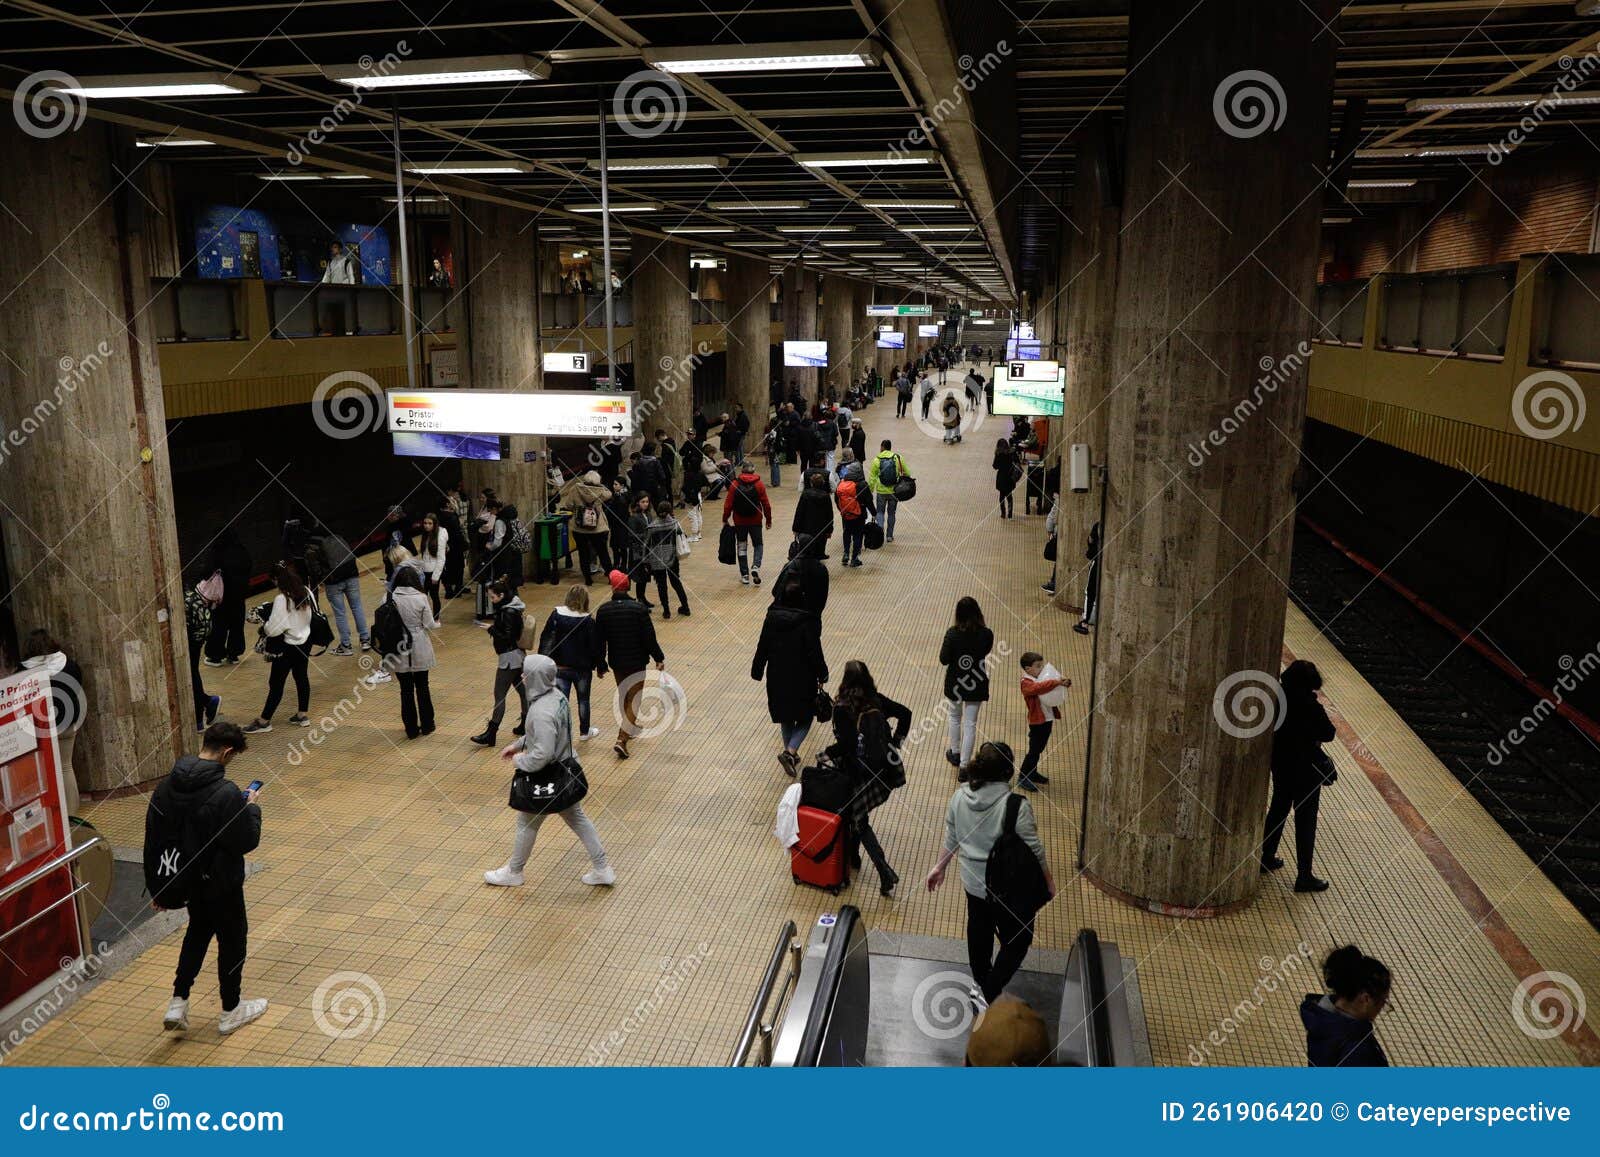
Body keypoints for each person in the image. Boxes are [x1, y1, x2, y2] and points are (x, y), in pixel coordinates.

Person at [146, 721, 268, 1036]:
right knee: (233, 940)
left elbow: (155, 840)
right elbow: (245, 841)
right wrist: (251, 808)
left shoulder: (165, 786)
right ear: (227, 752)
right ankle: (230, 1009)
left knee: (197, 933)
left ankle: (179, 1000)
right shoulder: (226, 793)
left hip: (188, 882)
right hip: (220, 883)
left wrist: (159, 887)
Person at [926, 741, 1055, 1007]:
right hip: (1007, 889)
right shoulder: (1016, 806)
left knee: (979, 931)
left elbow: (952, 834)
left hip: (973, 884)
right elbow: (1035, 849)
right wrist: (1048, 882)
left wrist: (940, 867)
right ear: (1008, 773)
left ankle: (980, 982)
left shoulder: (959, 797)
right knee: (1018, 940)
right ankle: (989, 990)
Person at [484, 655, 616, 888]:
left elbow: (541, 754)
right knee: (578, 819)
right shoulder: (557, 697)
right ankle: (602, 868)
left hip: (549, 777)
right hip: (567, 771)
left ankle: (514, 872)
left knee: (527, 823)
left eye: (526, 673)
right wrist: (519, 744)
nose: (522, 677)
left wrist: (519, 760)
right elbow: (548, 734)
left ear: (535, 677)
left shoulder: (540, 711)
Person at [830, 660, 911, 897]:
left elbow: (845, 746)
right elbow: (906, 713)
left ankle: (884, 871)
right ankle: (855, 858)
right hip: (885, 770)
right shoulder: (876, 700)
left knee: (858, 818)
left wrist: (827, 752)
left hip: (859, 772)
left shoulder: (842, 707)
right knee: (859, 815)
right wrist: (895, 742)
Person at [1261, 659, 1337, 893]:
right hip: (1305, 770)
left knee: (1278, 808)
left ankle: (1266, 856)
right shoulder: (1310, 706)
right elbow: (1328, 733)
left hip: (1281, 764)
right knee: (1306, 820)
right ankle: (1304, 875)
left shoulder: (1277, 698)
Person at [752, 582, 828, 777]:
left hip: (777, 676)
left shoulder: (771, 618)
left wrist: (757, 670)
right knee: (805, 716)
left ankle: (790, 756)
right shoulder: (807, 621)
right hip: (803, 678)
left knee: (786, 716)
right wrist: (823, 673)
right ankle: (790, 751)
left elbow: (763, 645)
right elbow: (814, 651)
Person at [594, 569, 666, 760]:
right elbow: (648, 637)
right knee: (634, 699)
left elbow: (599, 641)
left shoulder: (604, 611)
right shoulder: (639, 609)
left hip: (617, 661)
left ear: (612, 587)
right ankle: (622, 739)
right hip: (636, 661)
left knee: (625, 695)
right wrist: (658, 657)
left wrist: (600, 664)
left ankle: (630, 727)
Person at [243, 562, 315, 734]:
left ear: (277, 579)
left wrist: (264, 626)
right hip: (305, 642)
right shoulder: (306, 591)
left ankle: (264, 721)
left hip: (288, 646)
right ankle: (302, 715)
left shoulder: (282, 599)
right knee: (301, 677)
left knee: (276, 683)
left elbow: (274, 629)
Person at [21, 630, 88, 814]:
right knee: (66, 767)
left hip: (40, 728)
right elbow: (77, 688)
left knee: (47, 771)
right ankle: (71, 812)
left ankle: (54, 812)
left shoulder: (24, 671)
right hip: (68, 724)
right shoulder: (69, 665)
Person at [1301, 946, 1391, 1067]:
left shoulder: (1321, 1019)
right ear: (1366, 999)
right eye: (1383, 1002)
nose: (1382, 1008)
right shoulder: (1360, 1049)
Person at [539, 585, 607, 743]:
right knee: (583, 700)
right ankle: (584, 732)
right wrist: (601, 666)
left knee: (561, 702)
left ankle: (560, 732)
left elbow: (547, 639)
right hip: (582, 669)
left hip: (560, 667)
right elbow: (595, 646)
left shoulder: (556, 615)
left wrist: (543, 661)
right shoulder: (588, 620)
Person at [471, 579, 528, 746]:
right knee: (523, 692)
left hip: (508, 659)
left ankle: (491, 733)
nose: (491, 600)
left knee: (500, 696)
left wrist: (491, 629)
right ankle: (525, 724)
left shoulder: (507, 612)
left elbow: (508, 636)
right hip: (518, 656)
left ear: (502, 595)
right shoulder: (513, 608)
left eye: (493, 597)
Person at [385, 567, 439, 739]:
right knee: (423, 686)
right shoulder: (421, 598)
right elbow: (429, 624)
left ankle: (411, 729)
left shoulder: (389, 597)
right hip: (419, 643)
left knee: (405, 690)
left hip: (397, 646)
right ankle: (427, 724)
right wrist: (437, 624)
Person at [940, 597, 994, 767]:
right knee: (970, 723)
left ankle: (955, 752)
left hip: (955, 683)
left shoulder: (952, 633)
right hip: (975, 682)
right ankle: (964, 766)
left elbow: (944, 659)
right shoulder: (986, 634)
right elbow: (985, 651)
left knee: (954, 717)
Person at [1017, 651, 1068, 792]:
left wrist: (1063, 682)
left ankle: (1032, 773)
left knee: (1039, 749)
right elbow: (1039, 688)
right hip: (1037, 722)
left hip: (1047, 719)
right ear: (1028, 669)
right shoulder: (1026, 683)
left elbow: (1051, 686)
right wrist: (1056, 682)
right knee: (1034, 750)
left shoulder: (1040, 678)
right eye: (1038, 666)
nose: (1042, 669)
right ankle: (1023, 776)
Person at [202, 526, 251, 666]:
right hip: (239, 596)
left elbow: (206, 571)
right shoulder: (242, 550)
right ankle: (233, 654)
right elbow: (248, 567)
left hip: (221, 598)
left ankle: (215, 656)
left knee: (219, 625)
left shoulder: (217, 551)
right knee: (237, 625)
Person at [559, 470, 615, 586]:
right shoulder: (600, 491)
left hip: (579, 528)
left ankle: (588, 579)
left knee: (583, 553)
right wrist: (600, 486)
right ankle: (610, 577)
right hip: (597, 528)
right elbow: (609, 493)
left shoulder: (575, 489)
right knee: (603, 552)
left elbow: (569, 505)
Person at [722, 460, 773, 587]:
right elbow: (766, 505)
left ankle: (744, 575)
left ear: (742, 470)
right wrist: (768, 520)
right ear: (753, 470)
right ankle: (756, 565)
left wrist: (725, 518)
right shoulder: (759, 484)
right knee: (758, 544)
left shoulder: (734, 484)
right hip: (755, 520)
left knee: (741, 546)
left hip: (739, 521)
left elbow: (728, 504)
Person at [184, 583, 222, 736]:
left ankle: (199, 717)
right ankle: (207, 702)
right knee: (192, 673)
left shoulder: (181, 601)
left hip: (191, 640)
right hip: (198, 638)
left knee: (191, 675)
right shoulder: (189, 595)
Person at [644, 501, 692, 619]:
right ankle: (685, 607)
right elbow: (683, 536)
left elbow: (646, 545)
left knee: (661, 585)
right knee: (676, 582)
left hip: (657, 559)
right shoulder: (674, 524)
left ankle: (666, 611)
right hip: (672, 558)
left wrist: (646, 562)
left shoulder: (652, 526)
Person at [770, 540, 829, 618]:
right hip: (811, 617)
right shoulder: (821, 569)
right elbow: (823, 595)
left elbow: (776, 591)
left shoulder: (790, 566)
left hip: (788, 616)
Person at [835, 459, 876, 569]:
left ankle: (846, 553)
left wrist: (842, 510)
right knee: (858, 535)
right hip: (859, 515)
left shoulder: (842, 483)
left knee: (847, 533)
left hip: (846, 514)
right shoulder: (862, 484)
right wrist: (874, 513)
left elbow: (836, 498)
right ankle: (854, 559)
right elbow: (869, 501)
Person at [867, 440, 910, 544]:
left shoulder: (876, 460)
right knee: (891, 513)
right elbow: (907, 473)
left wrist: (870, 491)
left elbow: (872, 478)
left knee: (880, 512)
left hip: (881, 491)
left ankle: (880, 533)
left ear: (882, 447)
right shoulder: (897, 458)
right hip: (894, 492)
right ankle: (889, 536)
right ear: (890, 447)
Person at [792, 470, 834, 561]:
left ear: (811, 483)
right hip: (821, 529)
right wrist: (829, 529)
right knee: (818, 552)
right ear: (822, 483)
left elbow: (799, 511)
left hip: (806, 527)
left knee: (807, 551)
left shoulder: (805, 494)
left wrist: (795, 528)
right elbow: (829, 514)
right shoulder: (826, 496)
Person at [416, 512, 448, 617]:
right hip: (424, 571)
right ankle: (425, 617)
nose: (426, 525)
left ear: (434, 524)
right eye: (425, 523)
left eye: (430, 523)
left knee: (434, 596)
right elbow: (424, 554)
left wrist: (436, 576)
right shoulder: (425, 535)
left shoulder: (440, 536)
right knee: (423, 596)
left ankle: (436, 618)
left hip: (434, 571)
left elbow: (441, 558)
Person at [1073, 521, 1101, 635]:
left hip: (1097, 562)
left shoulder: (1098, 525)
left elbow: (1091, 540)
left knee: (1090, 591)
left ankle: (1085, 622)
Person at [680, 438, 707, 540]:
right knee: (698, 514)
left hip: (692, 497)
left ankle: (694, 535)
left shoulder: (688, 474)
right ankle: (698, 533)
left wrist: (685, 495)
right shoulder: (699, 473)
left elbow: (686, 487)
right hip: (698, 495)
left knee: (692, 516)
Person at [993, 438, 1021, 520]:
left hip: (1002, 477)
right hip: (1010, 477)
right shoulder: (1012, 453)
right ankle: (1010, 514)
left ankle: (1003, 513)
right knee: (1009, 496)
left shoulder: (998, 454)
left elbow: (995, 466)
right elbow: (1017, 462)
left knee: (1001, 496)